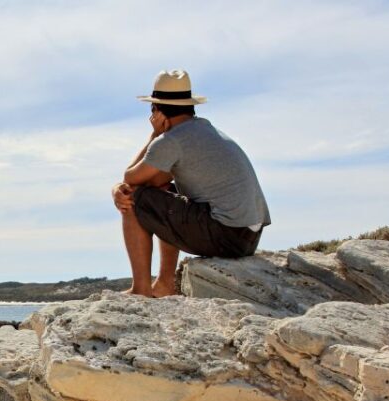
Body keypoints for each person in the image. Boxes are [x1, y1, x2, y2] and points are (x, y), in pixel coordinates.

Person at [111, 69, 271, 297]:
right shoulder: (205, 129)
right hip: (247, 237)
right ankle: (165, 284)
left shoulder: (171, 140)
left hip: (225, 236)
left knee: (136, 198)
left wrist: (154, 135)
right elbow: (157, 181)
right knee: (162, 192)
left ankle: (141, 290)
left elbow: (131, 179)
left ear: (156, 109)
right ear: (190, 105)